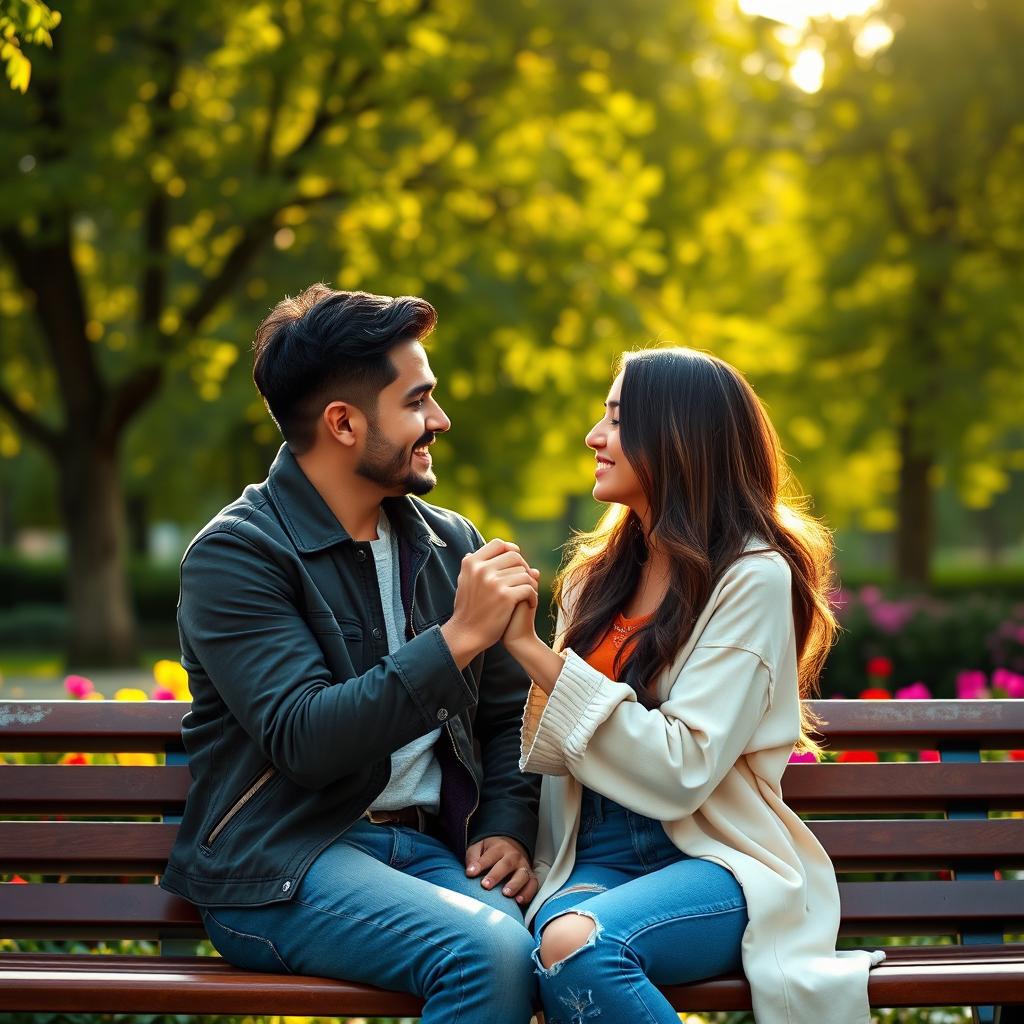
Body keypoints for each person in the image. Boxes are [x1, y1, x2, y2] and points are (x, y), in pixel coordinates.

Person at [161, 284, 542, 1024]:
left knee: (545, 951)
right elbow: (306, 738)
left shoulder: (449, 544)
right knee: (489, 952)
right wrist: (458, 638)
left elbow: (510, 715)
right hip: (282, 865)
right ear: (343, 422)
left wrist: (504, 824)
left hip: (431, 853)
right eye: (417, 401)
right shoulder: (237, 555)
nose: (440, 419)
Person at [501, 347, 884, 1024]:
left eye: (617, 420)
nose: (593, 436)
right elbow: (552, 747)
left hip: (717, 857)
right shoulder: (595, 578)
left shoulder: (753, 577)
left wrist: (531, 652)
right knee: (545, 952)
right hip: (592, 856)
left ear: (676, 437)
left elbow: (683, 768)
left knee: (580, 949)